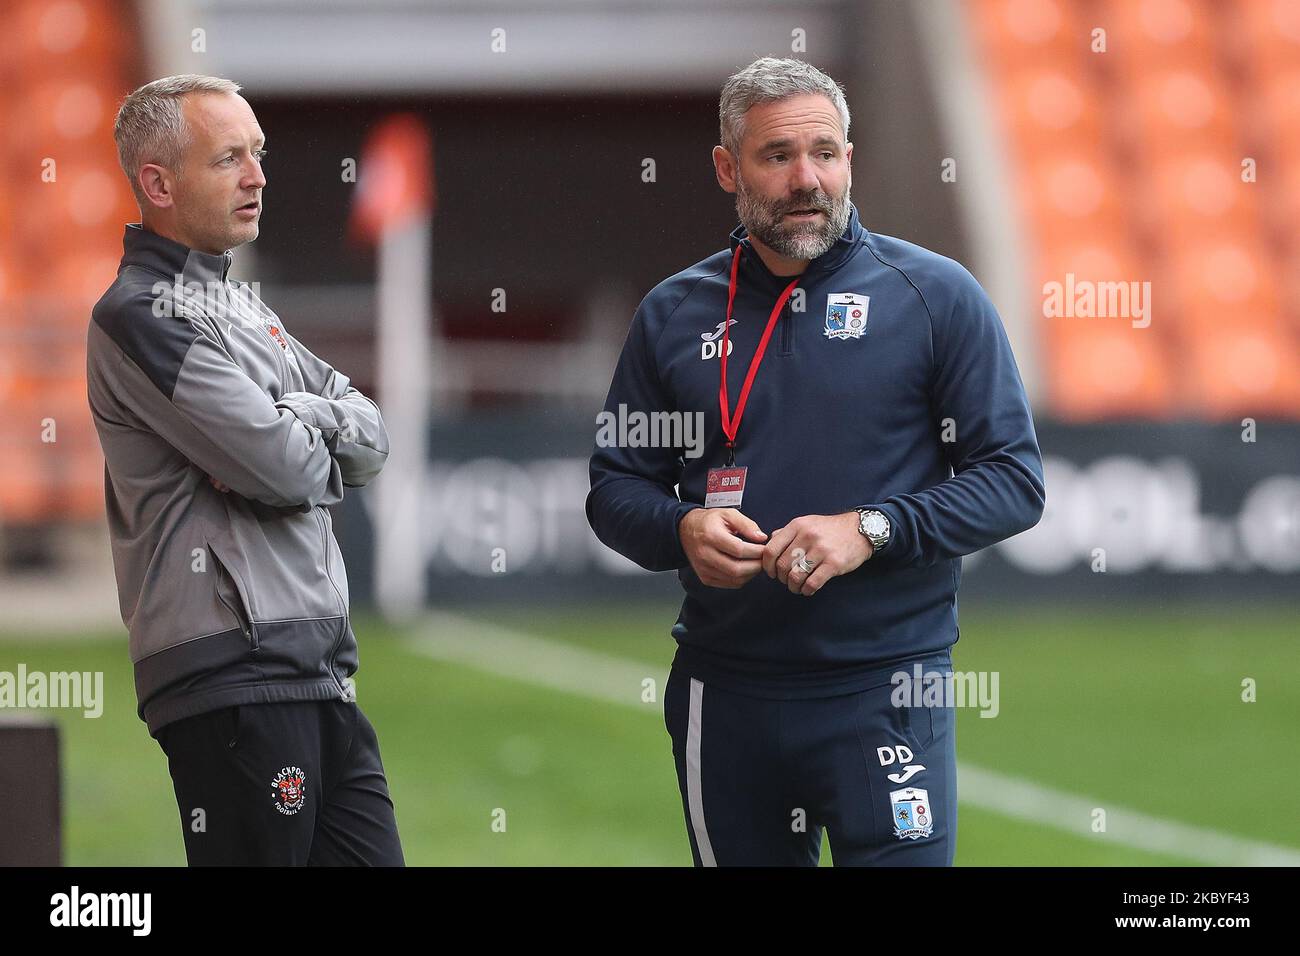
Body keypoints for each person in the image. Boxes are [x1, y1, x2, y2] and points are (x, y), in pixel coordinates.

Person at [586, 57, 1045, 866]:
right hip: (723, 694)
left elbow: (1014, 479)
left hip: (889, 689)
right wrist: (681, 526)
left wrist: (873, 527)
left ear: (850, 159)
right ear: (728, 167)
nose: (808, 179)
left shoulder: (936, 296)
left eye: (825, 153)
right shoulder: (672, 313)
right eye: (778, 157)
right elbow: (614, 487)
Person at [87, 75, 403, 865]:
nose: (259, 175)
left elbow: (370, 432)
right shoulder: (139, 314)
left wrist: (301, 416)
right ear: (157, 184)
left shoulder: (242, 307)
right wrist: (300, 426)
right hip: (234, 678)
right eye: (230, 157)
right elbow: (290, 469)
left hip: (316, 671)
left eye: (257, 153)